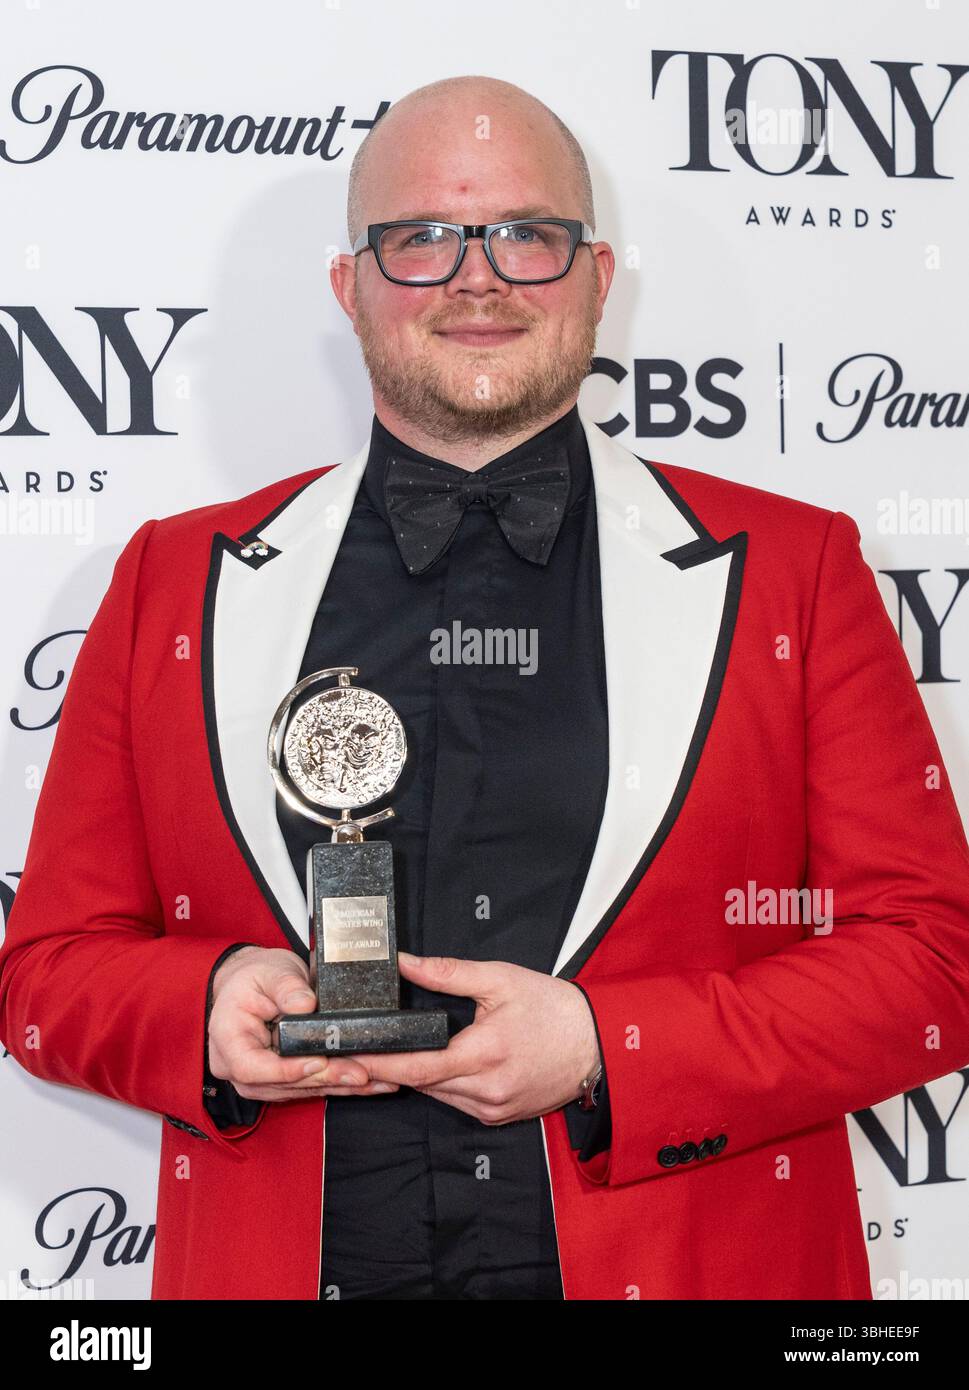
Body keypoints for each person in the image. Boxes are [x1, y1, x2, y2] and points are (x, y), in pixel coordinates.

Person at [3, 74, 969, 1302]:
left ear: (598, 278)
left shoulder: (795, 571)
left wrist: (611, 1050)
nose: (479, 277)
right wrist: (198, 1010)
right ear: (350, 288)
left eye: (527, 234)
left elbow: (934, 961)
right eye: (422, 239)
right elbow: (48, 970)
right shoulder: (168, 580)